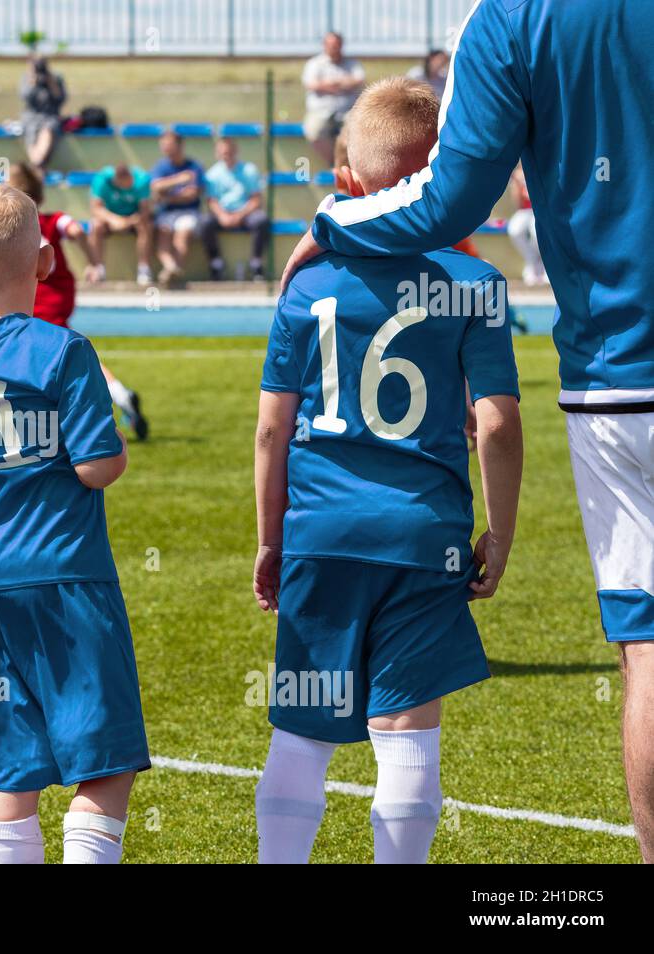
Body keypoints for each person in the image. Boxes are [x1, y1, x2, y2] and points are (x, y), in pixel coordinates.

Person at [278, 0, 654, 862]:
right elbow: (496, 422)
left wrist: (330, 223)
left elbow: (452, 196)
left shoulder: (514, 16)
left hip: (622, 375)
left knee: (648, 648)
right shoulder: (470, 293)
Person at [253, 77, 523, 864]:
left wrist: (271, 538)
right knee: (406, 736)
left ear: (348, 177)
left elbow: (273, 427)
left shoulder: (308, 281)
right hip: (423, 536)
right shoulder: (477, 284)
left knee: (302, 732)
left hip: (322, 532)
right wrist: (499, 533)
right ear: (444, 169)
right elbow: (498, 422)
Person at [0, 182, 150, 864]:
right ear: (44, 262)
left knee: (11, 767)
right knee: (104, 762)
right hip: (69, 577)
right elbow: (97, 467)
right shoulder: (63, 351)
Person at [8, 162, 148, 440]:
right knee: (52, 354)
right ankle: (109, 399)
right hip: (61, 291)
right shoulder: (55, 219)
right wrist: (94, 262)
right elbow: (76, 231)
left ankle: (115, 395)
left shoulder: (15, 227)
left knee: (57, 356)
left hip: (39, 296)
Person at [201, 137, 270, 281]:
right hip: (222, 214)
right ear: (217, 153)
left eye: (229, 152)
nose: (226, 155)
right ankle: (216, 264)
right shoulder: (213, 174)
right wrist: (222, 216)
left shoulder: (249, 170)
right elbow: (211, 201)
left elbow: (256, 198)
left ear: (235, 151)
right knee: (205, 222)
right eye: (223, 152)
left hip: (245, 213)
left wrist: (240, 214)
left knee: (261, 220)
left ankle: (256, 264)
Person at [149, 131, 206, 286]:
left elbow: (192, 195)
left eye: (169, 145)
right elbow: (155, 186)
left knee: (183, 233)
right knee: (163, 234)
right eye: (163, 145)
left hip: (189, 212)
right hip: (166, 212)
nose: (166, 148)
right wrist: (179, 180)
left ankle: (173, 270)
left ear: (180, 145)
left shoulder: (194, 166)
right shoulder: (161, 166)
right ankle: (171, 268)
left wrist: (166, 194)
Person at [301, 32, 365, 166]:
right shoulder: (315, 63)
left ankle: (347, 163)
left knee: (358, 131)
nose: (334, 48)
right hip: (320, 111)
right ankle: (333, 163)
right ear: (324, 46)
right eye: (331, 45)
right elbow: (311, 84)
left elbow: (358, 80)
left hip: (348, 111)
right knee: (313, 131)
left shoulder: (352, 63)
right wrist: (339, 84)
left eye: (336, 45)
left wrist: (327, 85)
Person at [88, 163, 154, 287]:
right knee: (95, 225)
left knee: (146, 226)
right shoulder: (102, 179)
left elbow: (145, 211)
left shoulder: (142, 179)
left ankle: (144, 269)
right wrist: (114, 220)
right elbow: (95, 208)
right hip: (110, 219)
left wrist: (128, 221)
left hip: (134, 219)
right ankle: (98, 268)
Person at [19, 55, 66, 168]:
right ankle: (37, 164)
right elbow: (25, 97)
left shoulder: (56, 77)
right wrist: (32, 81)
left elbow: (61, 99)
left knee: (48, 129)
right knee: (31, 131)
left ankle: (36, 164)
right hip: (31, 117)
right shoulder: (27, 78)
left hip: (50, 116)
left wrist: (51, 82)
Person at [506, 165, 545, 286]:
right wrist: (517, 184)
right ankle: (532, 263)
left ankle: (543, 266)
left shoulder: (540, 168)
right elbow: (517, 201)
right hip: (525, 209)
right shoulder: (517, 173)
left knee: (535, 232)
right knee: (515, 229)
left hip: (539, 209)